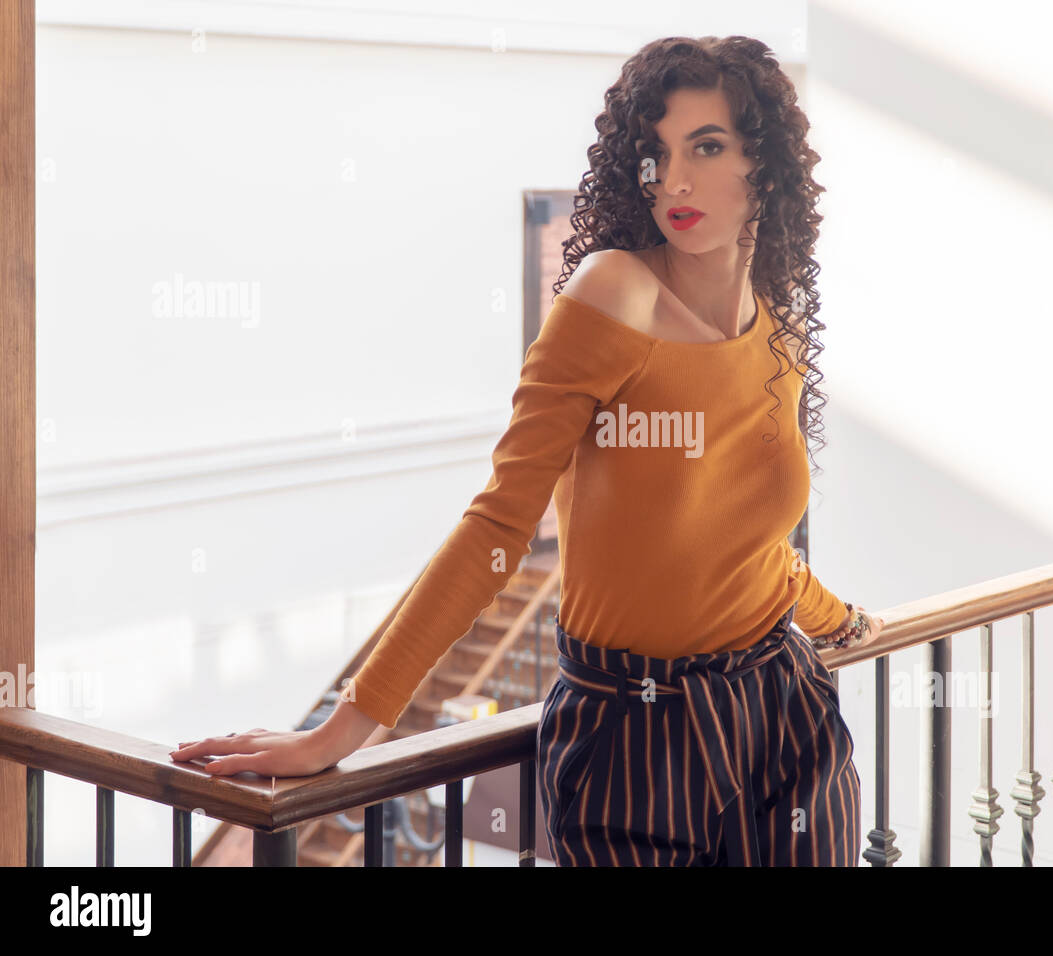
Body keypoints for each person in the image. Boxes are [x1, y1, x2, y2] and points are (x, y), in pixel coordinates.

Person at [170, 34, 884, 866]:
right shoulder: (613, 293)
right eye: (656, 153)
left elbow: (753, 546)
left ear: (766, 165)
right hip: (632, 735)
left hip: (784, 711)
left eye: (708, 146)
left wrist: (843, 622)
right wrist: (342, 728)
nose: (675, 180)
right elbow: (499, 526)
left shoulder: (778, 324)